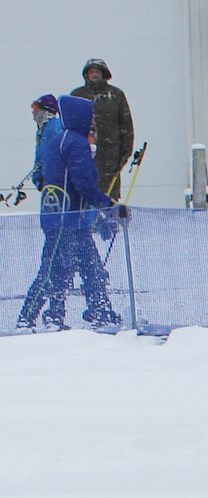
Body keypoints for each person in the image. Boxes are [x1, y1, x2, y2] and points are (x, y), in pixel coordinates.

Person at [17, 94, 121, 331]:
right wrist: (107, 206)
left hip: (60, 218)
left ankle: (94, 311)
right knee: (58, 269)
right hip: (69, 219)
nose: (93, 119)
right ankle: (33, 317)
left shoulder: (58, 141)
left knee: (80, 267)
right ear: (80, 116)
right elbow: (83, 183)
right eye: (91, 115)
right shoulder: (75, 143)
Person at [71, 58, 135, 199]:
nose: (94, 75)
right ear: (86, 75)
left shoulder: (116, 95)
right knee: (84, 195)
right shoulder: (77, 96)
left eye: (97, 72)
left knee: (108, 197)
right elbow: (69, 126)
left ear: (104, 74)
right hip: (84, 155)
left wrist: (124, 155)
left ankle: (109, 220)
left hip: (110, 157)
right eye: (91, 72)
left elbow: (126, 126)